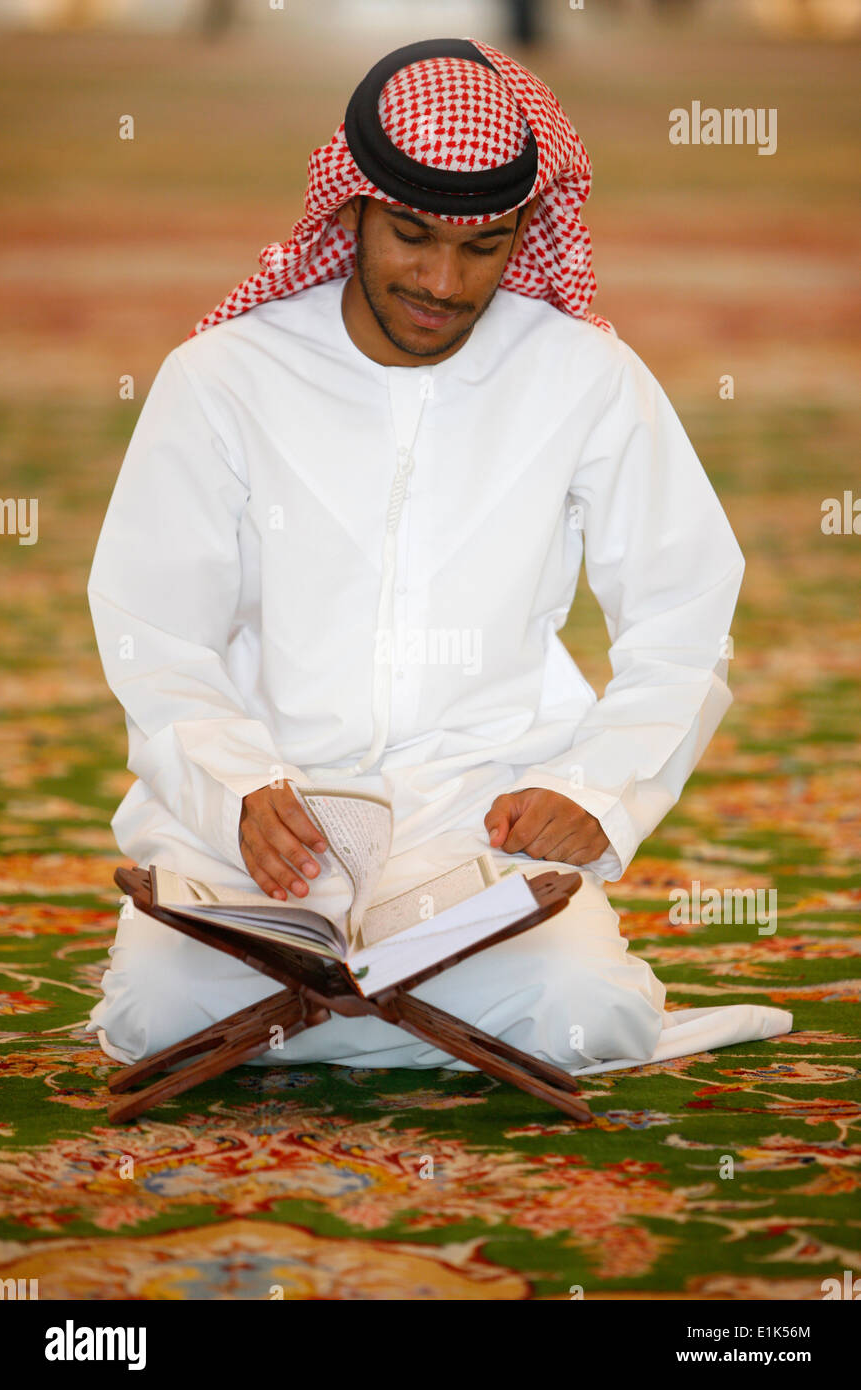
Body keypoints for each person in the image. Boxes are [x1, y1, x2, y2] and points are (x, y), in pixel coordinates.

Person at [85, 38, 791, 1075]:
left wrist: (593, 788)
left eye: (483, 247)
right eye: (410, 236)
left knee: (587, 1016)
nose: (441, 281)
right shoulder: (225, 377)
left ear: (521, 236)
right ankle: (407, 1019)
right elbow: (156, 628)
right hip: (272, 817)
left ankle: (338, 1021)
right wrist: (231, 783)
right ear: (353, 210)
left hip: (477, 808)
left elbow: (684, 614)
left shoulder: (581, 375)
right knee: (154, 1014)